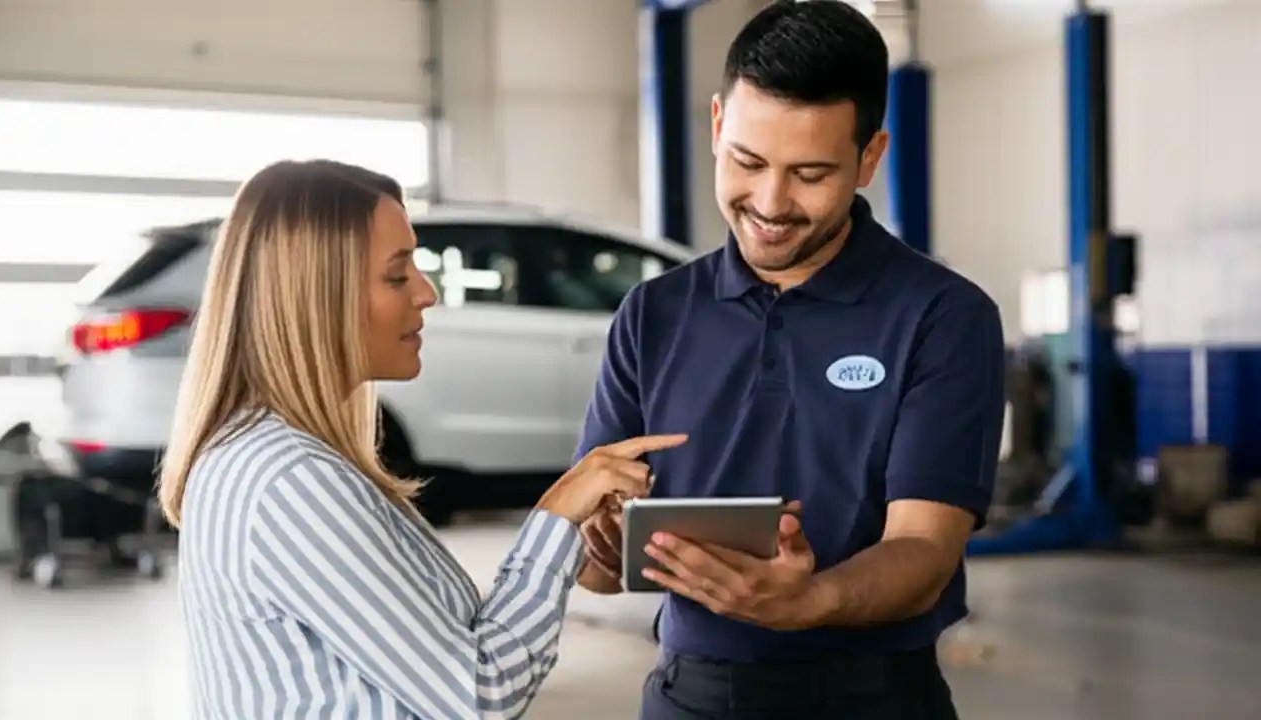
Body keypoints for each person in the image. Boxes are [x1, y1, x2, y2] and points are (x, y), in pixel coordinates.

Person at [574, 2, 1006, 717]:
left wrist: (815, 599)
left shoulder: (943, 317)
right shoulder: (652, 315)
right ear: (717, 126)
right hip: (689, 697)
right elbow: (595, 574)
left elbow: (924, 551)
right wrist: (601, 546)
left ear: (869, 158)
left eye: (810, 173)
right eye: (747, 161)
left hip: (873, 701)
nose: (770, 203)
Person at [157, 159, 686, 719]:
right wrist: (556, 516)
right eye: (396, 274)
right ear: (319, 297)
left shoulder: (269, 458)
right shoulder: (290, 483)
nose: (427, 294)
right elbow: (476, 695)